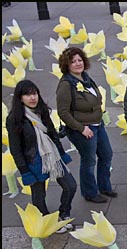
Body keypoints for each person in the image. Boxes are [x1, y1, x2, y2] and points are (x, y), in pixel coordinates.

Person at [7, 80, 77, 233]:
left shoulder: (42, 111)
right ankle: (47, 221)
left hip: (53, 157)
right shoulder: (14, 119)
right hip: (34, 161)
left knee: (70, 186)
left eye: (34, 93)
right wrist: (24, 171)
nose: (32, 97)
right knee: (39, 195)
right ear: (20, 98)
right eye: (27, 94)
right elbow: (15, 148)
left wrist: (61, 152)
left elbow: (52, 133)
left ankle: (64, 213)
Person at [56, 47, 116, 203]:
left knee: (106, 154)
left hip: (97, 124)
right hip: (83, 129)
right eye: (73, 61)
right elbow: (63, 112)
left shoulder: (86, 78)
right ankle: (90, 192)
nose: (77, 64)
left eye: (80, 60)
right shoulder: (66, 85)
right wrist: (82, 129)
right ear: (67, 65)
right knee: (89, 160)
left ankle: (104, 186)